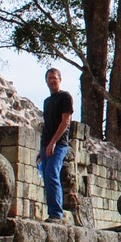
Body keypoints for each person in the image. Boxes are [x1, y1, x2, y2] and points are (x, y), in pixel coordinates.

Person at [39, 68, 75, 221]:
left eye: (54, 78)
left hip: (59, 144)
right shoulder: (47, 101)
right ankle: (51, 212)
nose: (52, 80)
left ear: (60, 79)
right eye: (49, 78)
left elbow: (66, 121)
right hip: (46, 144)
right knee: (46, 177)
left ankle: (56, 214)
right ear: (46, 81)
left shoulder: (65, 97)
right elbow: (47, 125)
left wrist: (53, 142)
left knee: (52, 173)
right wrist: (42, 148)